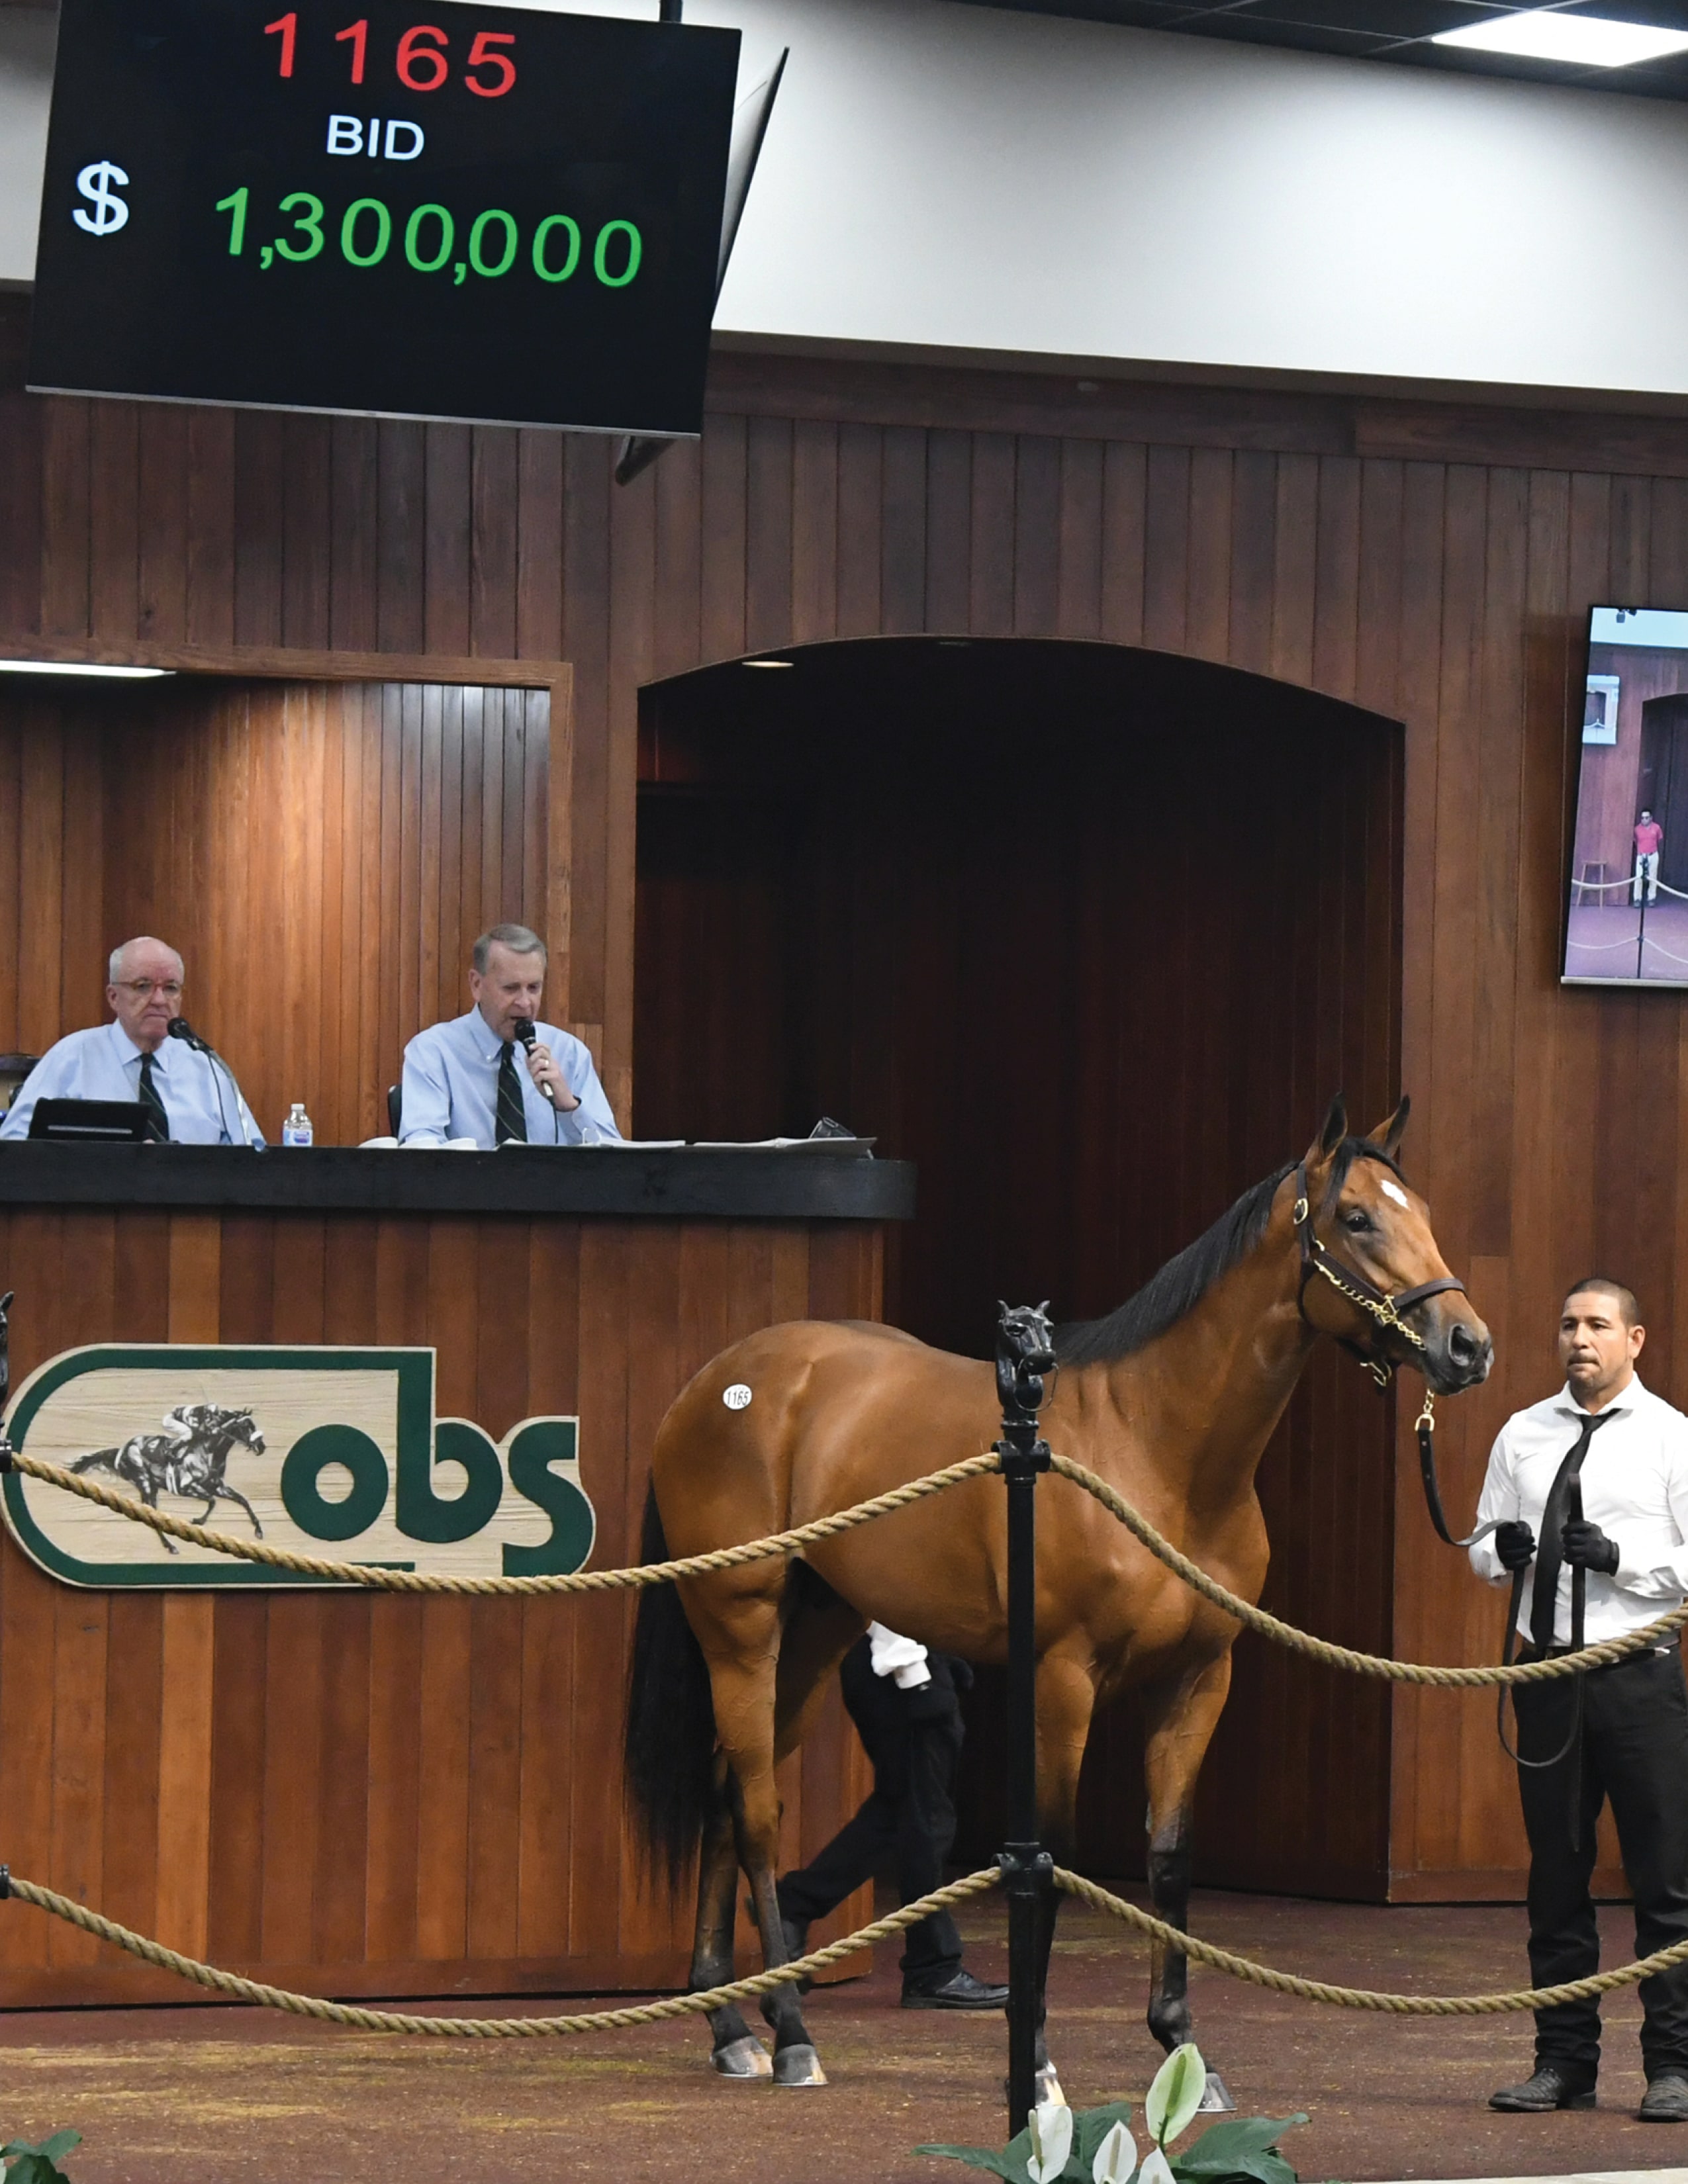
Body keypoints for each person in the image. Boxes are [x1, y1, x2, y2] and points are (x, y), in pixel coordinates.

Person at [1472, 1278, 1688, 2122]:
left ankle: (1673, 2067)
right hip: (1547, 1677)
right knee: (1556, 1877)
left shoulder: (1673, 1437)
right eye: (1568, 1324)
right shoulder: (1523, 1433)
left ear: (1635, 1340)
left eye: (1598, 1325)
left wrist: (1622, 1558)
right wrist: (1505, 1550)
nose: (1579, 1339)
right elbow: (1483, 1551)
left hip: (1638, 1676)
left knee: (1664, 1880)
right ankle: (1564, 2064)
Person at [776, 1624, 1008, 2010]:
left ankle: (795, 1905)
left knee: (896, 1813)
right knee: (927, 1822)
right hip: (900, 1669)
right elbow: (891, 1589)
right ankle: (933, 1968)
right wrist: (915, 1673)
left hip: (904, 1664)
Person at [0, 936, 261, 1144]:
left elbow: (252, 1155)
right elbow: (13, 1145)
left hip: (193, 1209)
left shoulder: (206, 1067)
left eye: (170, 988)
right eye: (143, 986)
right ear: (114, 997)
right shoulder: (73, 1057)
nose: (159, 1000)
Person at [399, 923, 620, 1148]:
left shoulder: (569, 1052)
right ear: (477, 985)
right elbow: (421, 1146)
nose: (525, 1003)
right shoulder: (434, 1051)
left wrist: (568, 1106)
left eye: (534, 988)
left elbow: (614, 1156)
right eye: (511, 988)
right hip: (467, 1182)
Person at [1634, 810, 1664, 905]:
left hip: (1653, 855)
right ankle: (1637, 899)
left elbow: (1659, 839)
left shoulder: (1657, 828)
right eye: (1642, 818)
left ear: (1651, 818)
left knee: (1653, 877)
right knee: (1639, 877)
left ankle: (1651, 898)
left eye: (1646, 818)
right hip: (1641, 855)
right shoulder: (1637, 829)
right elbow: (1635, 841)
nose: (1644, 820)